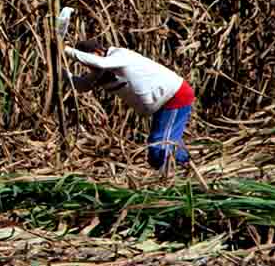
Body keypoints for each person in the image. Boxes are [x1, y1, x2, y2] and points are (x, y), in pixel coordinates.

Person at [64, 39, 194, 170]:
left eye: (88, 59)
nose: (89, 66)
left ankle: (167, 180)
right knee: (167, 143)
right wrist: (60, 70)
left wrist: (65, 49)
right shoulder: (101, 73)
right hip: (162, 104)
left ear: (98, 52)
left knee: (160, 145)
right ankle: (187, 168)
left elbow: (100, 62)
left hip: (175, 96)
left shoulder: (120, 55)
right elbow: (81, 85)